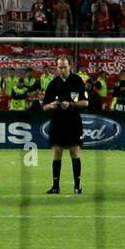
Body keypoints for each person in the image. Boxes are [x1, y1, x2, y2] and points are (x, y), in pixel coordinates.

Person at [42, 56, 87, 194]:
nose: (62, 70)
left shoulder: (77, 81)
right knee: (57, 153)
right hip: (57, 122)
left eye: (64, 67)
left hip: (73, 121)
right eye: (59, 67)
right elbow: (44, 107)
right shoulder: (53, 83)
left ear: (70, 66)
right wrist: (52, 105)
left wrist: (71, 104)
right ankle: (55, 186)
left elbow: (85, 103)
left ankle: (77, 186)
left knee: (74, 152)